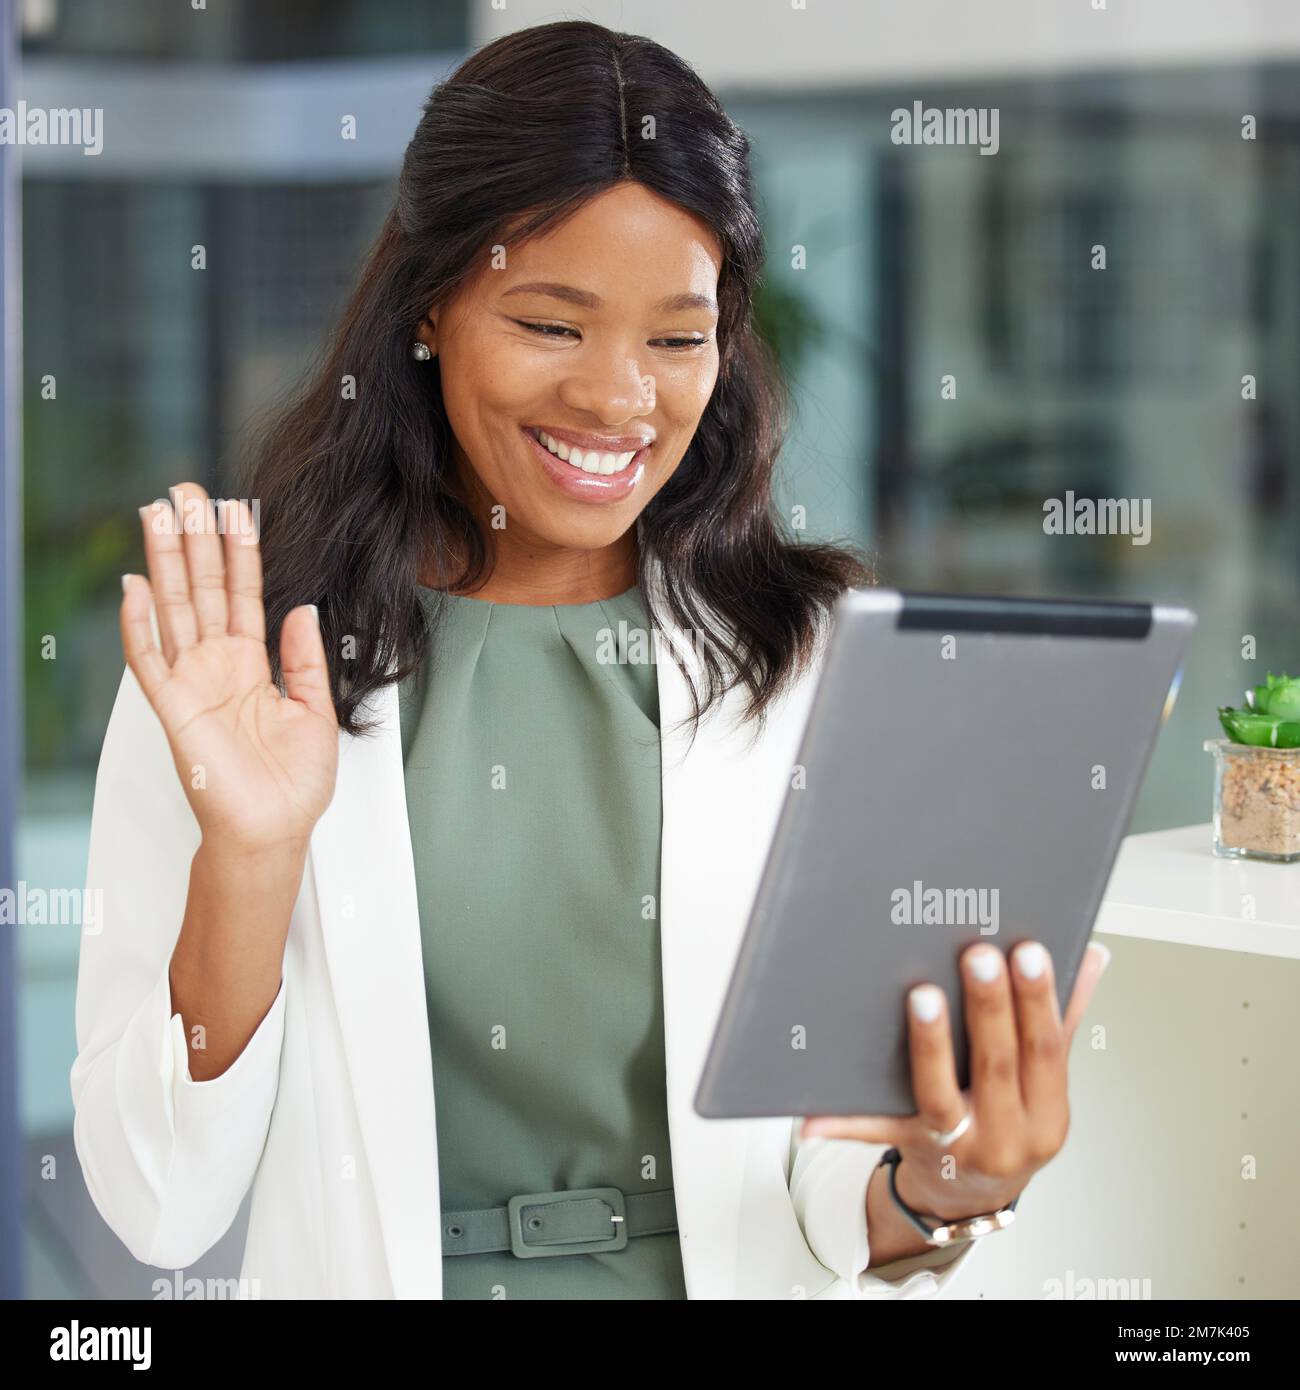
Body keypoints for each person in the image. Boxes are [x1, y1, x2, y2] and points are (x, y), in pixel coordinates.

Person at [70, 19, 1108, 1300]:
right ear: (431, 308)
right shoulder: (235, 671)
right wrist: (252, 857)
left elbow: (830, 1178)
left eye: (677, 337)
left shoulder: (807, 663)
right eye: (552, 325)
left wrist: (947, 1185)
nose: (619, 400)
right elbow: (157, 1203)